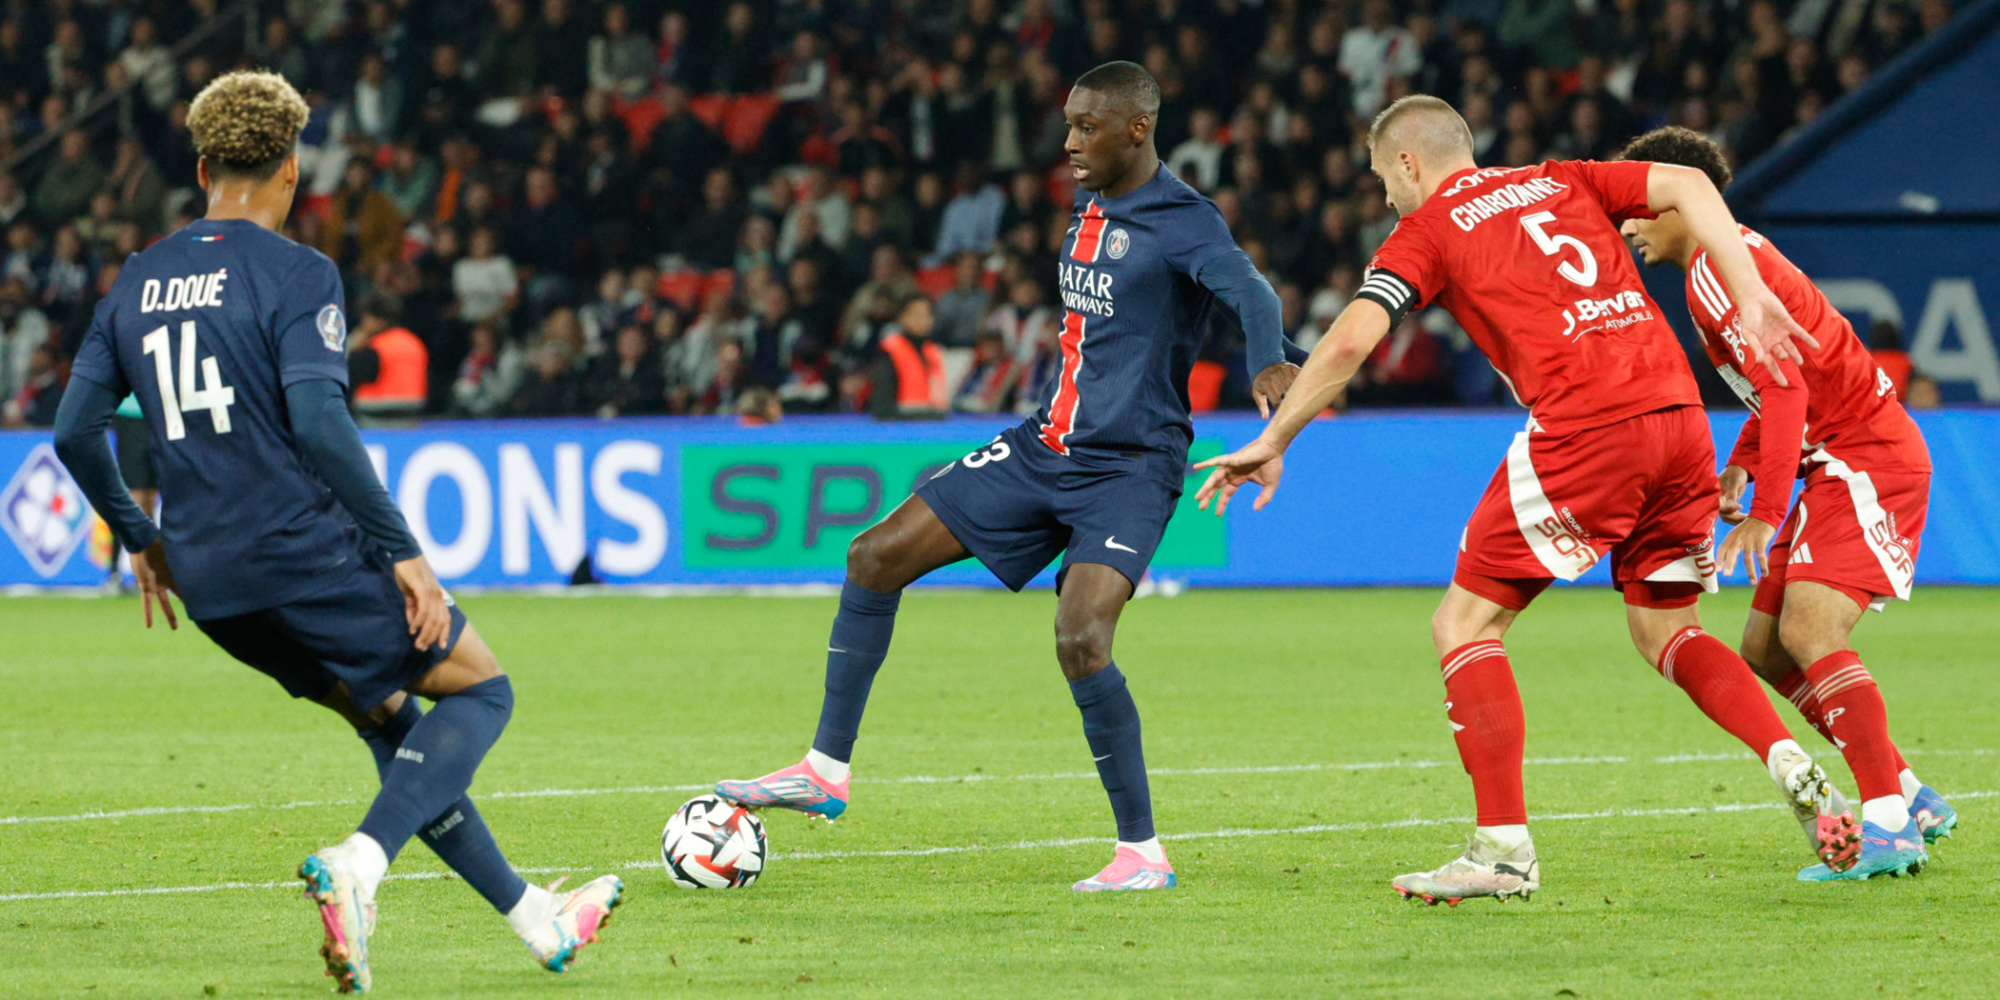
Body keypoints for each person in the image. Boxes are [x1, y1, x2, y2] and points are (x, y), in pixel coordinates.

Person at [1193, 95, 1852, 904]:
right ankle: (1791, 763)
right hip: (1679, 420)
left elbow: (1354, 339)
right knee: (1667, 629)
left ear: (1408, 163)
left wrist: (1276, 437)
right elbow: (1688, 181)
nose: (1386, 197)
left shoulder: (1427, 230)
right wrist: (1750, 292)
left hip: (1587, 426)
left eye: (1382, 178)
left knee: (1463, 624)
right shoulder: (1562, 179)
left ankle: (1503, 852)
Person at [48, 72, 620, 994]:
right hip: (297, 551)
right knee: (483, 690)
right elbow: (320, 424)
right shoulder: (298, 272)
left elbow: (76, 433)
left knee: (392, 719)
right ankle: (360, 864)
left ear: (202, 170)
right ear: (292, 170)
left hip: (211, 584)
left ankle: (534, 919)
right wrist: (405, 554)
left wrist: (142, 539)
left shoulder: (138, 278)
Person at [714, 62, 1304, 892]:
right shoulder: (1089, 204)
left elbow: (1251, 291)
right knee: (873, 556)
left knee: (1081, 638)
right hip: (1042, 447)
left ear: (1138, 128)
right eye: (1068, 124)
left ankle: (1141, 854)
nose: (1069, 142)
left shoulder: (1184, 219)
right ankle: (824, 770)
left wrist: (1270, 361)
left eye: (1087, 127)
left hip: (1130, 468)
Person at [1618, 126, 1953, 879]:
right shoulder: (1727, 260)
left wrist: (1768, 509)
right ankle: (1909, 794)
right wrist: (1743, 465)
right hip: (1839, 459)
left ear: (1676, 199)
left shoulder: (1714, 271)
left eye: (1635, 206)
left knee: (1810, 628)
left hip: (1865, 459)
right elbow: (1777, 380)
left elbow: (1785, 386)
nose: (1628, 224)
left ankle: (1890, 827)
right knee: (1765, 649)